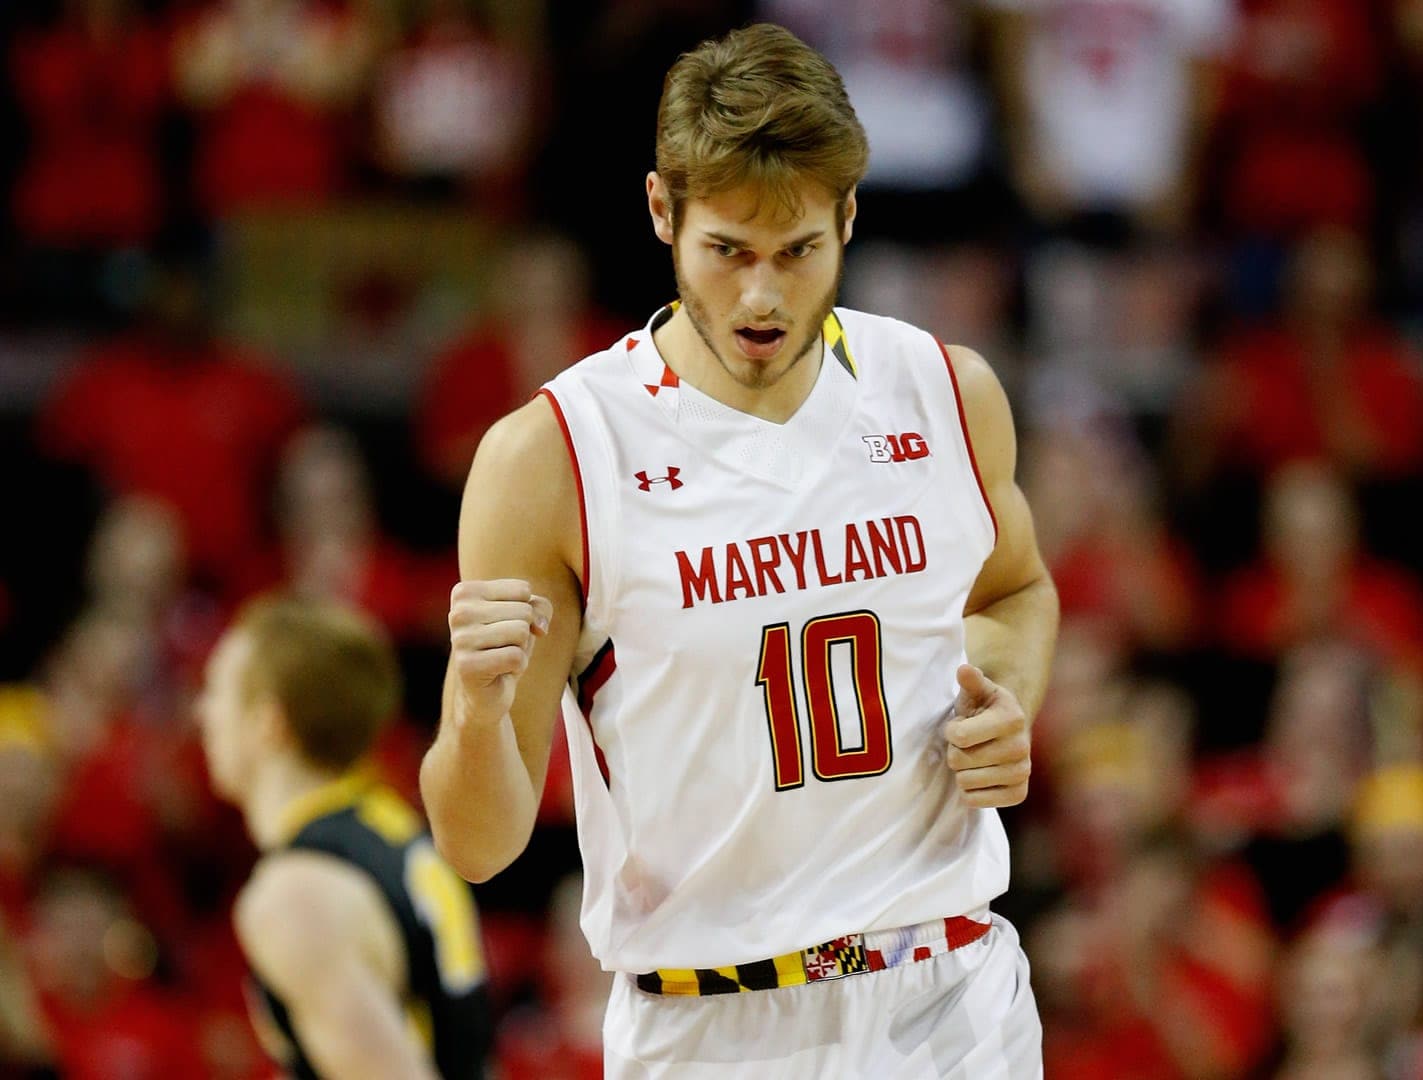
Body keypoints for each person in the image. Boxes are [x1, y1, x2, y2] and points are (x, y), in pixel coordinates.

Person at [420, 22, 1058, 1078]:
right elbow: (477, 846)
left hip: (949, 995)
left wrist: (1008, 695)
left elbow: (1016, 590)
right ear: (661, 211)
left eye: (798, 251)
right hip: (709, 1024)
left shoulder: (944, 392)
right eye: (728, 252)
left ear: (848, 218)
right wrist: (475, 710)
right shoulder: (557, 456)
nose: (762, 296)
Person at [196, 597, 492, 1079]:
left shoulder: (296, 894)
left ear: (269, 722)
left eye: (215, 691)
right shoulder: (389, 823)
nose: (202, 712)